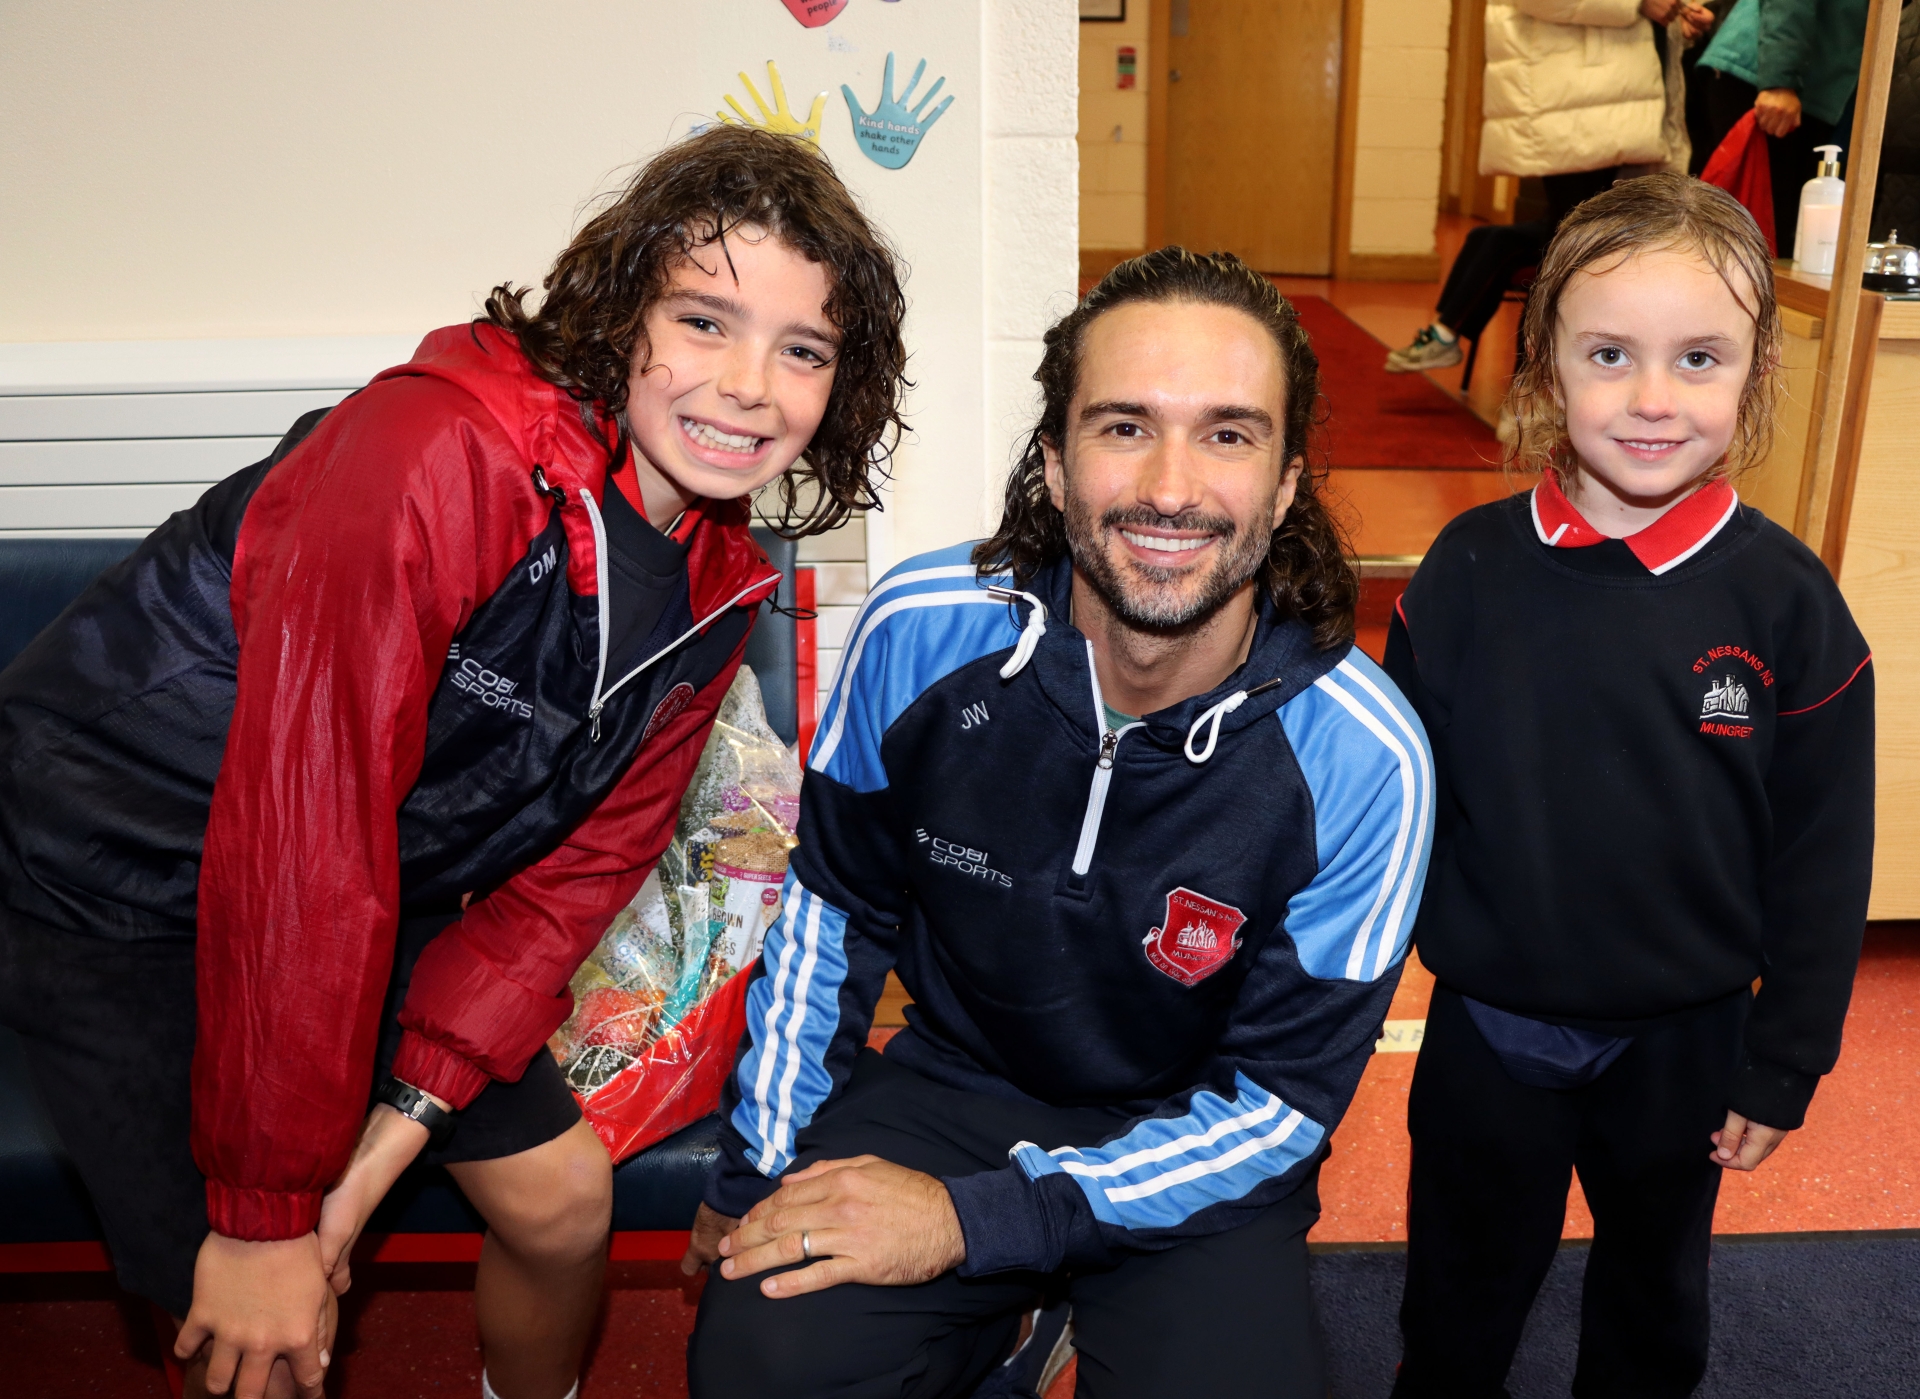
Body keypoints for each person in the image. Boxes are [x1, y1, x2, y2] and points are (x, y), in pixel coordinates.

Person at [0, 125, 908, 1399]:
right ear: (618, 308)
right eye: (705, 321)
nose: (752, 384)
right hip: (118, 865)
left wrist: (352, 1190)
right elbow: (304, 830)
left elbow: (556, 902)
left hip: (374, 864)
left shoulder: (715, 589)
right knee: (253, 1321)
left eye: (801, 349)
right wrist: (269, 1219)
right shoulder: (435, 454)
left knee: (561, 1199)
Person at [680, 248, 1435, 1398]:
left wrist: (977, 1224)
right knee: (764, 1358)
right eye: (1125, 426)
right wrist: (755, 1178)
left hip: (1195, 1141)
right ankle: (1008, 1332)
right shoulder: (925, 633)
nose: (1172, 488)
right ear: (1055, 461)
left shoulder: (1365, 758)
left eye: (1229, 435)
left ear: (1285, 487)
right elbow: (832, 916)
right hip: (956, 1085)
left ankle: (1032, 1294)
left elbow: (1281, 1104)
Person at [1385, 173, 1874, 1396]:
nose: (1654, 400)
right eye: (1610, 353)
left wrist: (1786, 1059)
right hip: (1486, 1029)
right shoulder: (1463, 572)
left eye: (1700, 358)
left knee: (1656, 1295)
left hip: (1689, 1040)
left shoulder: (1790, 604)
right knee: (1456, 1293)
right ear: (1546, 368)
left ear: (1756, 376)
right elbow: (1393, 812)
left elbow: (1824, 854)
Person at [1388, 0, 1710, 376]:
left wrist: (1677, 18)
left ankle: (1477, 352)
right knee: (1566, 256)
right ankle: (1531, 394)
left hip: (1626, 100)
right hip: (1580, 102)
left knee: (1569, 245)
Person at [1697, 0, 1872, 256]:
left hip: (1813, 86)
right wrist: (1779, 80)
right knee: (1745, 238)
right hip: (1768, 80)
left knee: (1774, 240)